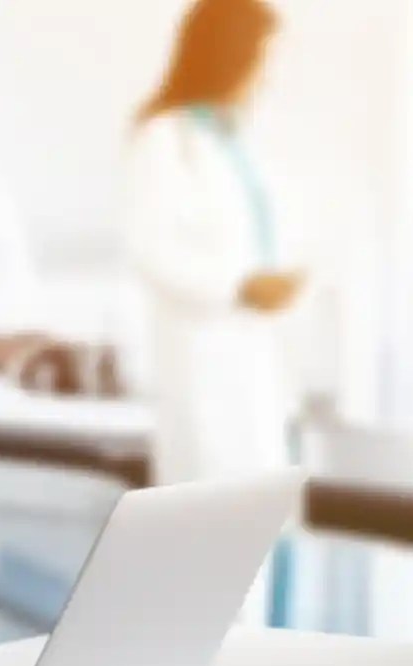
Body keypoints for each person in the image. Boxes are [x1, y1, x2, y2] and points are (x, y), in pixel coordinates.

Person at [125, 0, 304, 489]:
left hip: (252, 359)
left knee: (257, 517)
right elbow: (152, 251)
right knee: (217, 520)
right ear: (229, 56)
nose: (266, 76)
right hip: (203, 362)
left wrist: (275, 283)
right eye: (261, 59)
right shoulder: (165, 139)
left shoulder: (236, 143)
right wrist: (240, 287)